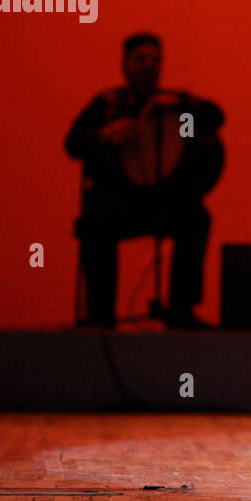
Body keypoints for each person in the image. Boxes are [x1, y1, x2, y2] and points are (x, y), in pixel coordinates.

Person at [65, 32, 224, 328]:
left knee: (196, 218)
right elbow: (72, 144)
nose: (149, 65)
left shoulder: (175, 102)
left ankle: (181, 310)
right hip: (119, 199)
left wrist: (185, 104)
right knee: (96, 222)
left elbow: (217, 117)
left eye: (155, 59)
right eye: (141, 59)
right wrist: (103, 135)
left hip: (160, 200)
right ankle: (100, 316)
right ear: (124, 65)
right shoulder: (107, 104)